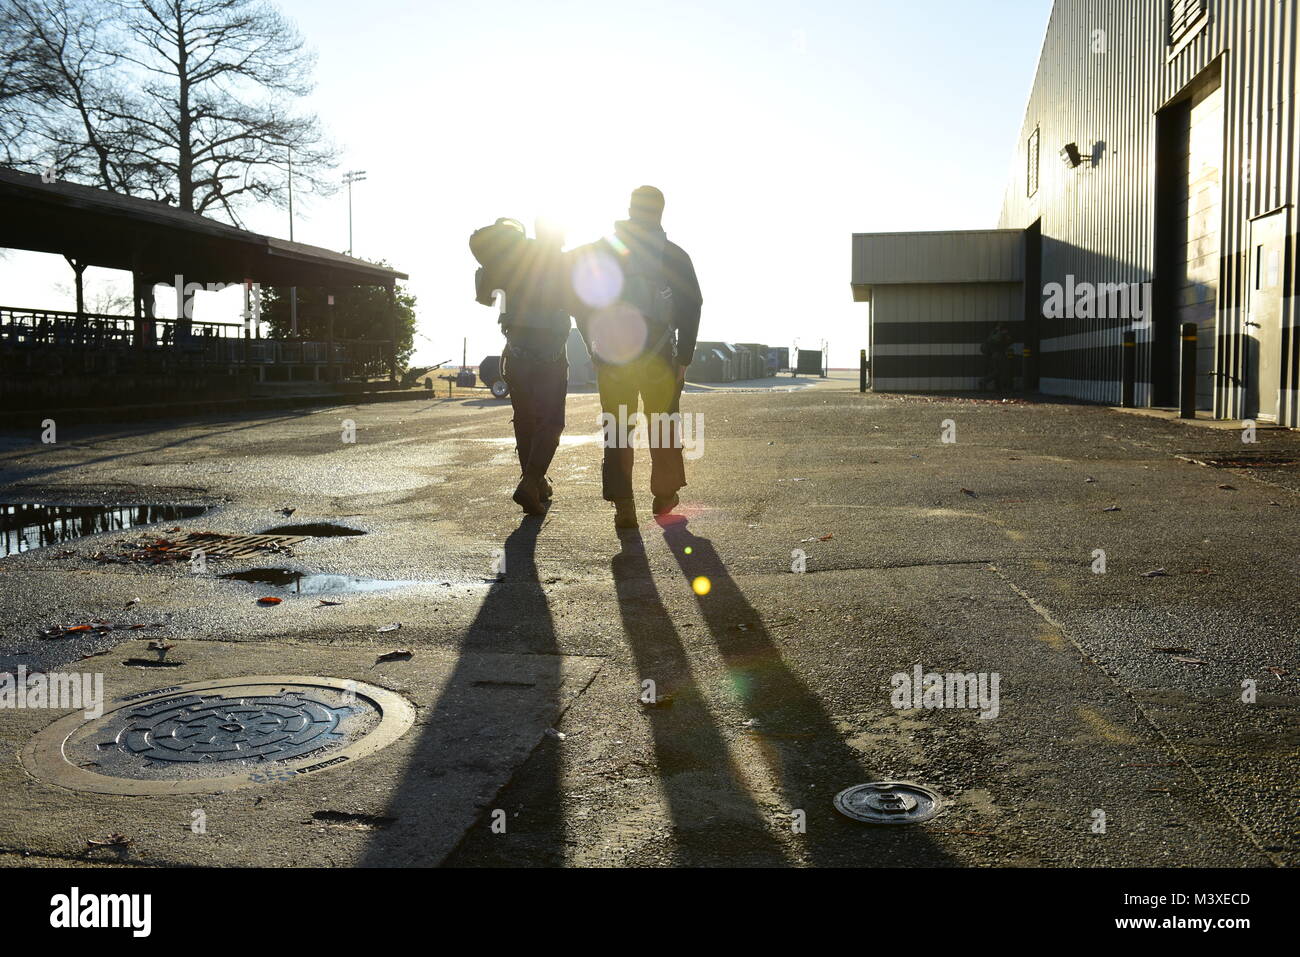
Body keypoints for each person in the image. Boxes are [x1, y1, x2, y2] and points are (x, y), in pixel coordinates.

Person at [572, 186, 702, 530]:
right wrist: (684, 356)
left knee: (617, 429)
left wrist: (592, 346)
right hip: (659, 355)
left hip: (613, 356)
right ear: (661, 211)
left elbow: (581, 302)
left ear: (629, 209)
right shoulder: (674, 255)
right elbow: (692, 305)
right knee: (662, 425)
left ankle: (623, 505)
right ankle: (664, 498)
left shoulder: (604, 250)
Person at [474, 218, 572, 515]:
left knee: (525, 418)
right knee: (551, 421)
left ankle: (536, 484)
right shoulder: (562, 263)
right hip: (550, 354)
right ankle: (530, 482)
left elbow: (484, 297)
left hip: (515, 352)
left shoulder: (510, 260)